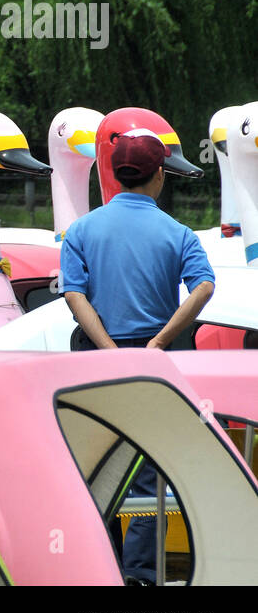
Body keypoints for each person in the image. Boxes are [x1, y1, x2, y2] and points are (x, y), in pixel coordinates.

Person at [60, 129, 215, 585]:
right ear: (160, 176)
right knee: (151, 472)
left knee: (95, 465)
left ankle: (99, 569)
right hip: (154, 363)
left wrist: (108, 349)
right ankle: (142, 577)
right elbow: (203, 286)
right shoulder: (178, 232)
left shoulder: (82, 230)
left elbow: (73, 294)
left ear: (111, 173)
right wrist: (161, 342)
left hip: (94, 359)